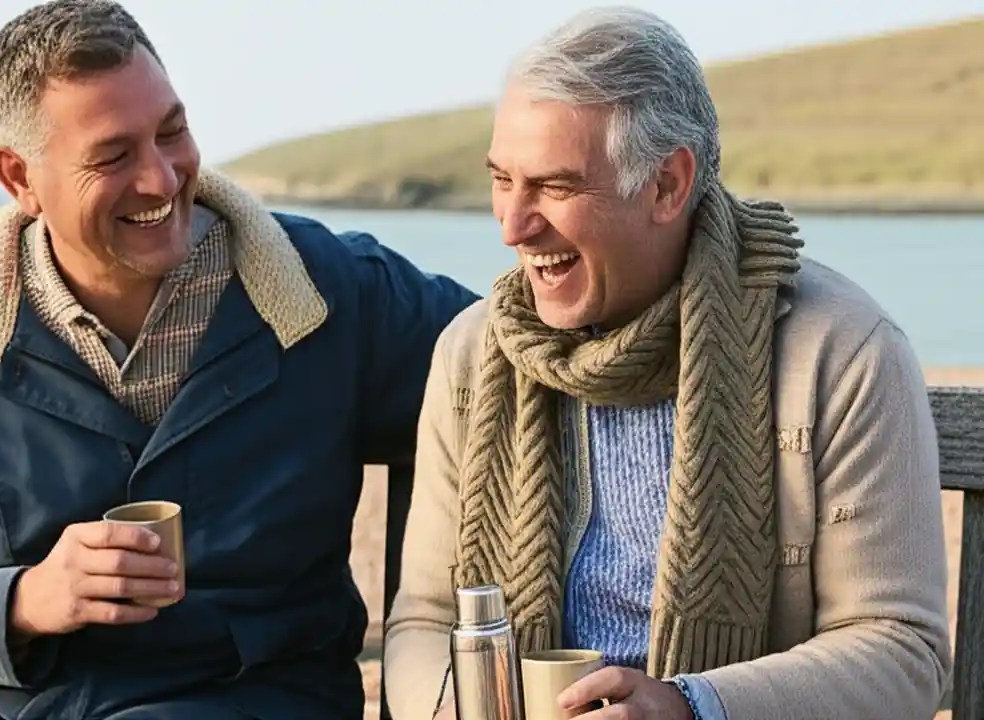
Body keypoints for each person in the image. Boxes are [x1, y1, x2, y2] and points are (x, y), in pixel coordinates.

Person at [0, 1, 477, 718]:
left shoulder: (337, 290)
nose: (162, 179)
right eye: (113, 156)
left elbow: (517, 356)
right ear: (19, 177)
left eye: (172, 132)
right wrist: (24, 599)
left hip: (251, 700)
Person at [383, 7, 950, 720]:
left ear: (666, 186)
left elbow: (902, 649)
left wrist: (691, 707)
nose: (512, 226)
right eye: (503, 179)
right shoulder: (473, 354)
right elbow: (427, 623)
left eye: (555, 187)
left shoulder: (840, 350)